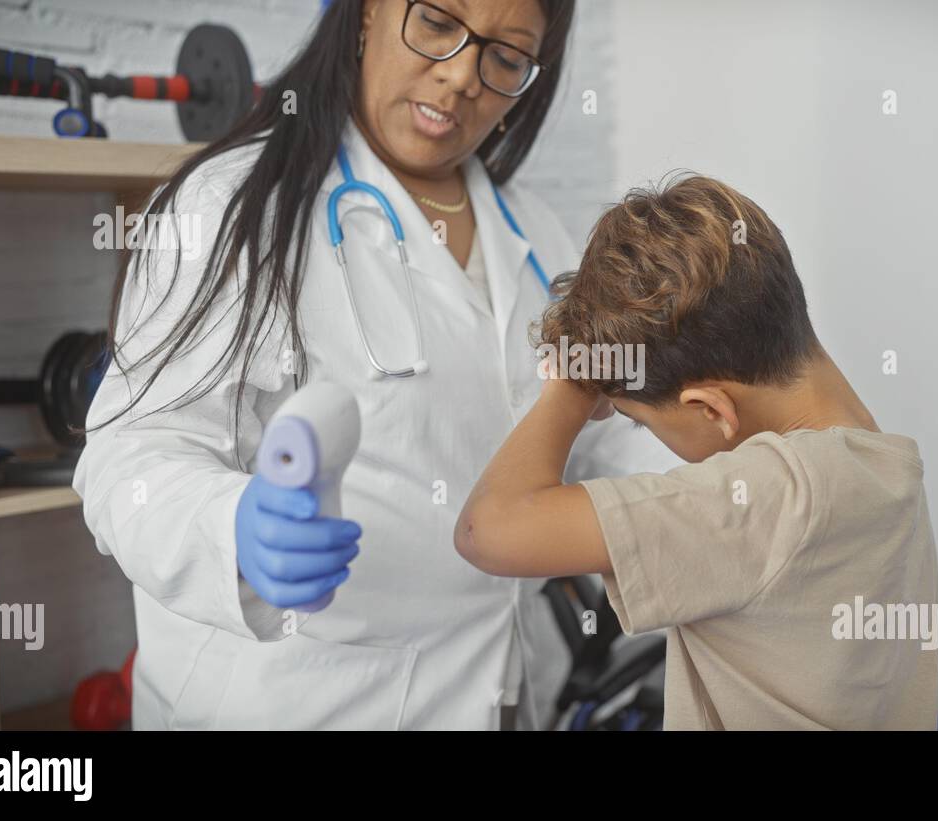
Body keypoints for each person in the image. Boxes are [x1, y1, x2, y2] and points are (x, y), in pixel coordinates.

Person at [74, 0, 673, 730]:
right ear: (363, 14)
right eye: (436, 23)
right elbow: (128, 458)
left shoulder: (539, 238)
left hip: (497, 690)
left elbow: (599, 441)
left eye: (506, 57)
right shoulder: (228, 207)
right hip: (294, 702)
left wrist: (728, 491)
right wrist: (234, 529)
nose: (460, 77)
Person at [455, 175, 938, 729]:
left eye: (640, 423)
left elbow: (487, 530)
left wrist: (571, 382)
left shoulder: (770, 499)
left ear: (710, 409)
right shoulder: (884, 465)